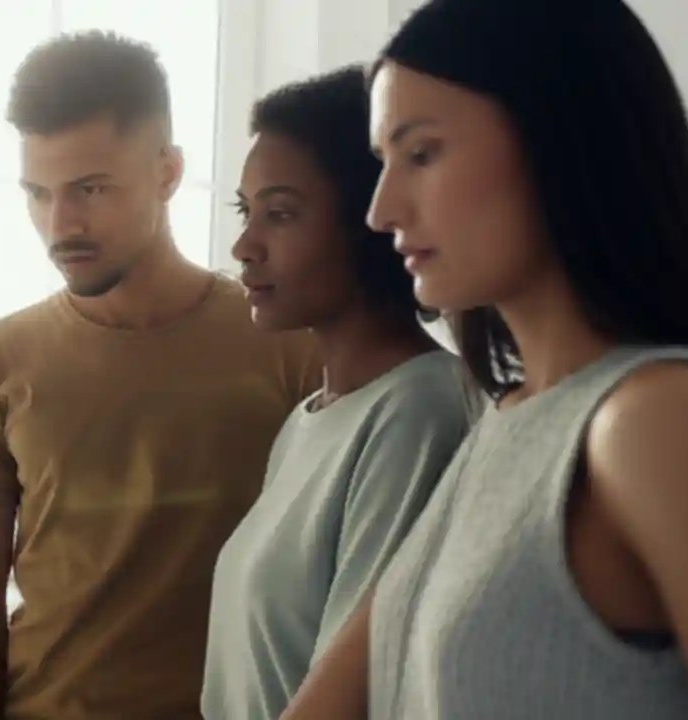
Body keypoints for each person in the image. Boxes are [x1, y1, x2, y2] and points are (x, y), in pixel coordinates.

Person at [282, 1, 688, 718]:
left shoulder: (655, 419)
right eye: (384, 162)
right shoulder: (501, 426)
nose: (381, 210)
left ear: (560, 141)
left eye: (423, 153)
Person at [0, 31, 322, 720]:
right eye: (38, 193)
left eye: (90, 188)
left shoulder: (286, 345)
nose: (61, 224)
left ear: (168, 172)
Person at [200, 68, 472, 720]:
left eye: (281, 214)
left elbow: (361, 689)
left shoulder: (418, 412)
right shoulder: (306, 421)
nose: (244, 245)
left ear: (369, 221)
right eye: (246, 212)